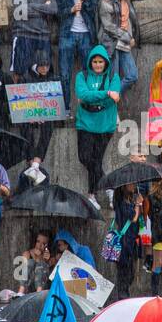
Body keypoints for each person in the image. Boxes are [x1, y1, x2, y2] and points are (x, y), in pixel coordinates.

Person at [73, 45, 120, 207]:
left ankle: (91, 195)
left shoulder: (113, 76)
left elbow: (114, 98)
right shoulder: (82, 75)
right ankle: (110, 186)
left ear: (106, 62)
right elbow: (83, 94)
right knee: (85, 157)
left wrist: (93, 98)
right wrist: (106, 93)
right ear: (90, 62)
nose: (98, 65)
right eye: (95, 62)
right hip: (85, 122)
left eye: (101, 62)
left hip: (105, 124)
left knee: (96, 159)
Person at [54, 0, 100, 106]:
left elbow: (95, 11)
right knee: (64, 74)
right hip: (67, 34)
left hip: (86, 35)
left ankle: (89, 106)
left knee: (89, 73)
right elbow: (57, 14)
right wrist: (71, 9)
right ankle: (65, 109)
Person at [10, 0, 59, 82]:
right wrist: (43, 7)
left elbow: (53, 9)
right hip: (23, 35)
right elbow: (19, 12)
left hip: (43, 37)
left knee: (43, 75)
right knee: (20, 74)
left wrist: (30, 6)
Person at [98, 0, 144, 94]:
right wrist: (128, 37)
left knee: (132, 75)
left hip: (123, 43)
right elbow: (108, 26)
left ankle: (109, 100)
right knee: (114, 78)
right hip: (112, 43)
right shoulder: (105, 1)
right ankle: (110, 109)